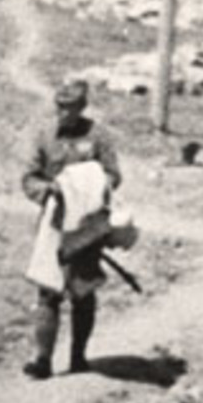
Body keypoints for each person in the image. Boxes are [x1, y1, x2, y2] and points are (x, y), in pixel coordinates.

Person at [20, 78, 124, 379]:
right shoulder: (45, 136)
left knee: (83, 290)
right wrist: (49, 190)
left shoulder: (98, 136)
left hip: (87, 227)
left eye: (71, 107)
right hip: (53, 224)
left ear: (82, 107)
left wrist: (90, 185)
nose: (64, 113)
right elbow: (29, 178)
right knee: (48, 291)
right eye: (60, 106)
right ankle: (43, 360)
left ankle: (79, 355)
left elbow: (114, 175)